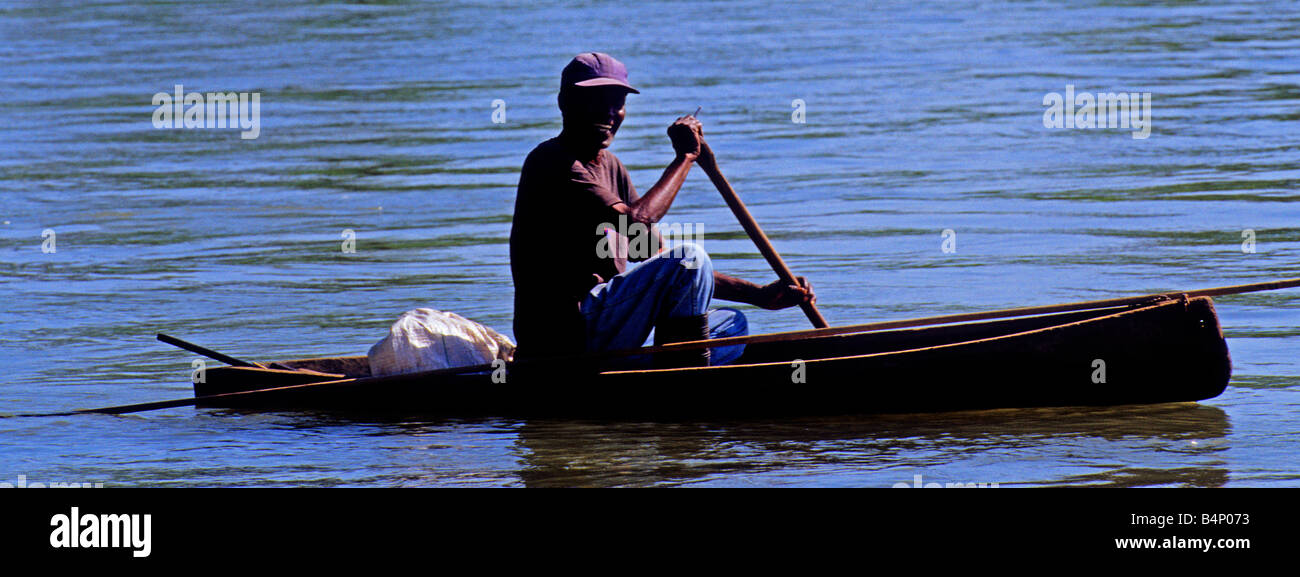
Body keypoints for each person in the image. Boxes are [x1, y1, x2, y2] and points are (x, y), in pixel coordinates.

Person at [509, 52, 815, 367]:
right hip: (562, 337)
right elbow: (639, 219)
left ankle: (673, 368)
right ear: (565, 103)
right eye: (596, 101)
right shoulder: (553, 162)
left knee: (732, 324)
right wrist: (685, 157)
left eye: (617, 103)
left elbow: (653, 253)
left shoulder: (612, 167)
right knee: (690, 258)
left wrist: (760, 295)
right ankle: (683, 379)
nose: (610, 113)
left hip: (604, 325)